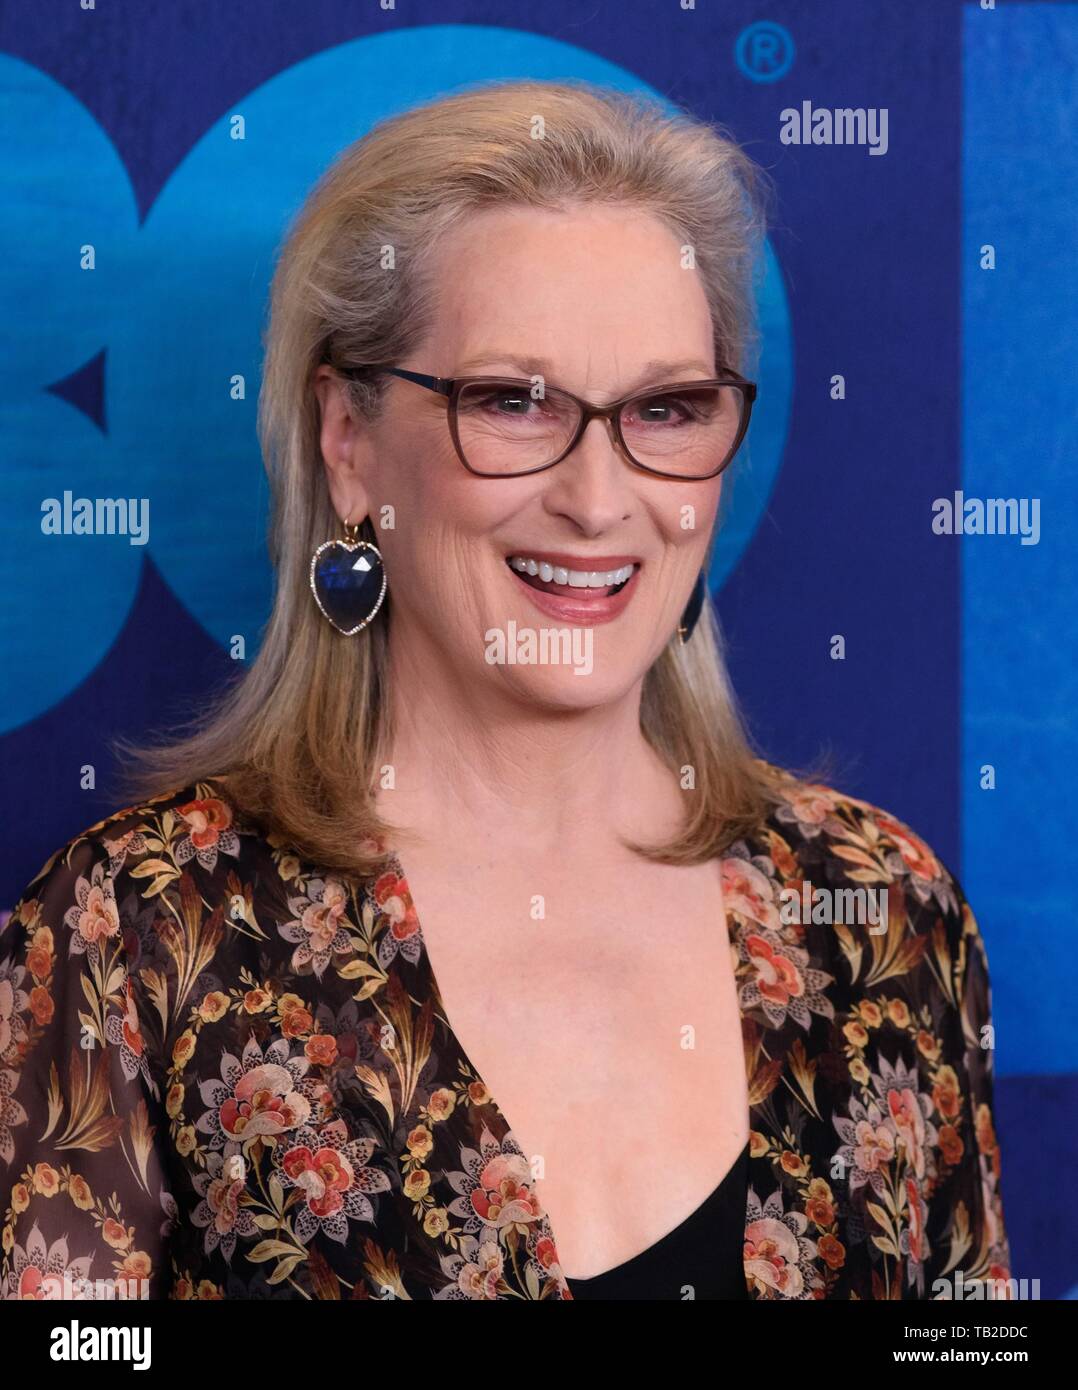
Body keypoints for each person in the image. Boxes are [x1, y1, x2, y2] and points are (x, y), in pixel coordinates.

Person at [0, 79, 1010, 1301]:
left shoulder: (883, 910)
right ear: (349, 439)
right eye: (513, 402)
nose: (597, 498)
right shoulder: (135, 932)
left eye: (666, 409)